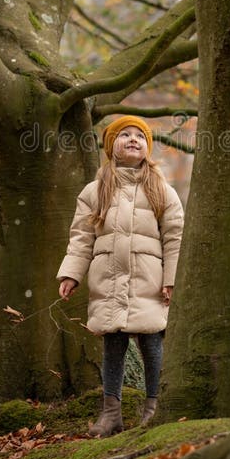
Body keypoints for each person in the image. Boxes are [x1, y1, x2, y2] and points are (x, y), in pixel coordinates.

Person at [57, 115, 184, 437]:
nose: (132, 139)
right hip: (109, 278)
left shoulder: (161, 189)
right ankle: (110, 414)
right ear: (111, 147)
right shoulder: (95, 189)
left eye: (139, 136)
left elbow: (175, 237)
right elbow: (81, 237)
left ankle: (153, 409)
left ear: (147, 147)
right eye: (124, 135)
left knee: (152, 341)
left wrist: (171, 279)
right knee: (113, 344)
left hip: (149, 279)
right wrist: (71, 274)